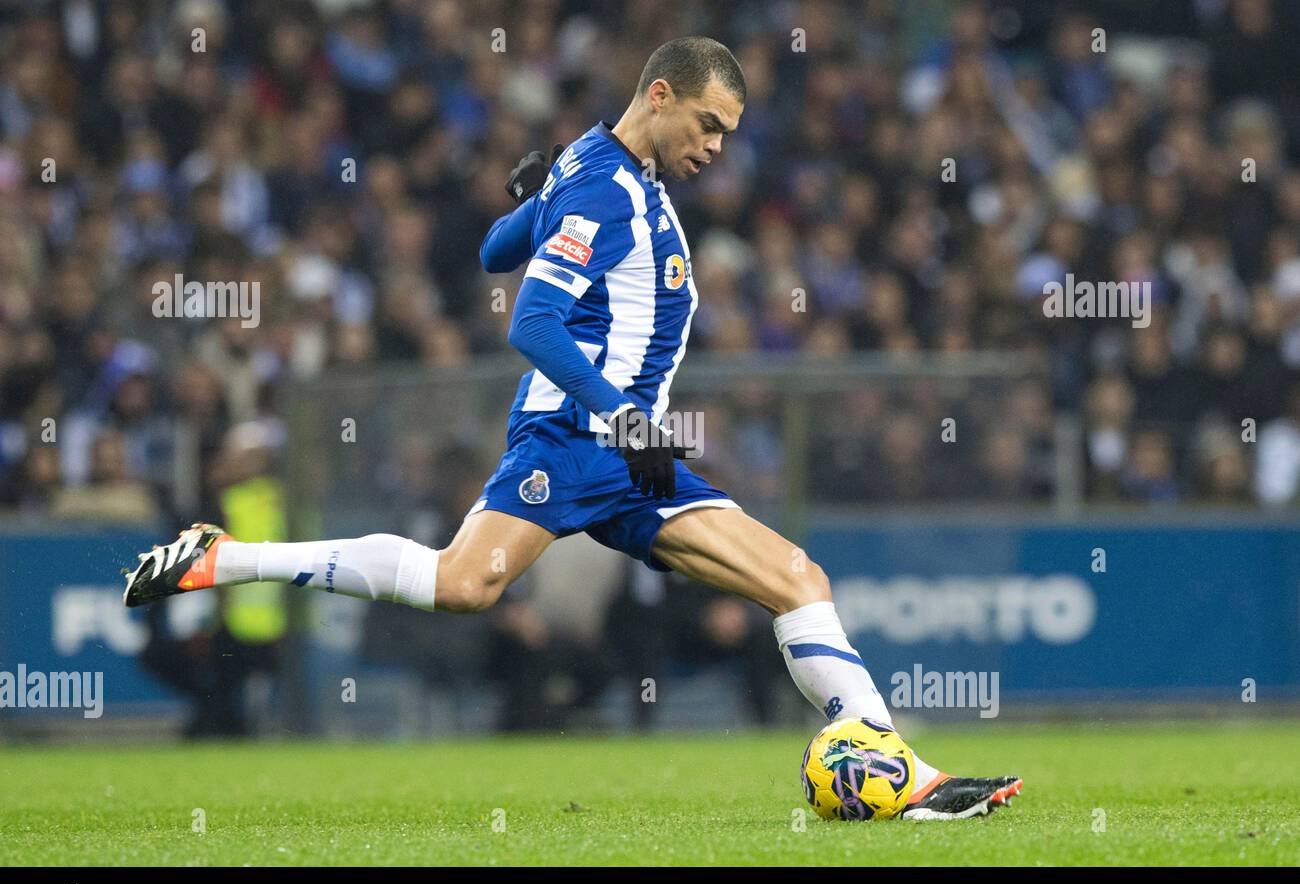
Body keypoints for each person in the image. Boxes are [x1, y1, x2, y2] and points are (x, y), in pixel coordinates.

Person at [123, 36, 1021, 819]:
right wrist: (622, 412)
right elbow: (529, 322)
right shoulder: (608, 192)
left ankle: (898, 770)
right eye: (708, 124)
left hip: (627, 455)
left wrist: (537, 199)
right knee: (465, 585)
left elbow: (492, 252)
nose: (717, 147)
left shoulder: (593, 168)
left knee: (796, 577)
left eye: (729, 134)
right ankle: (224, 557)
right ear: (659, 95)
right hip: (578, 439)